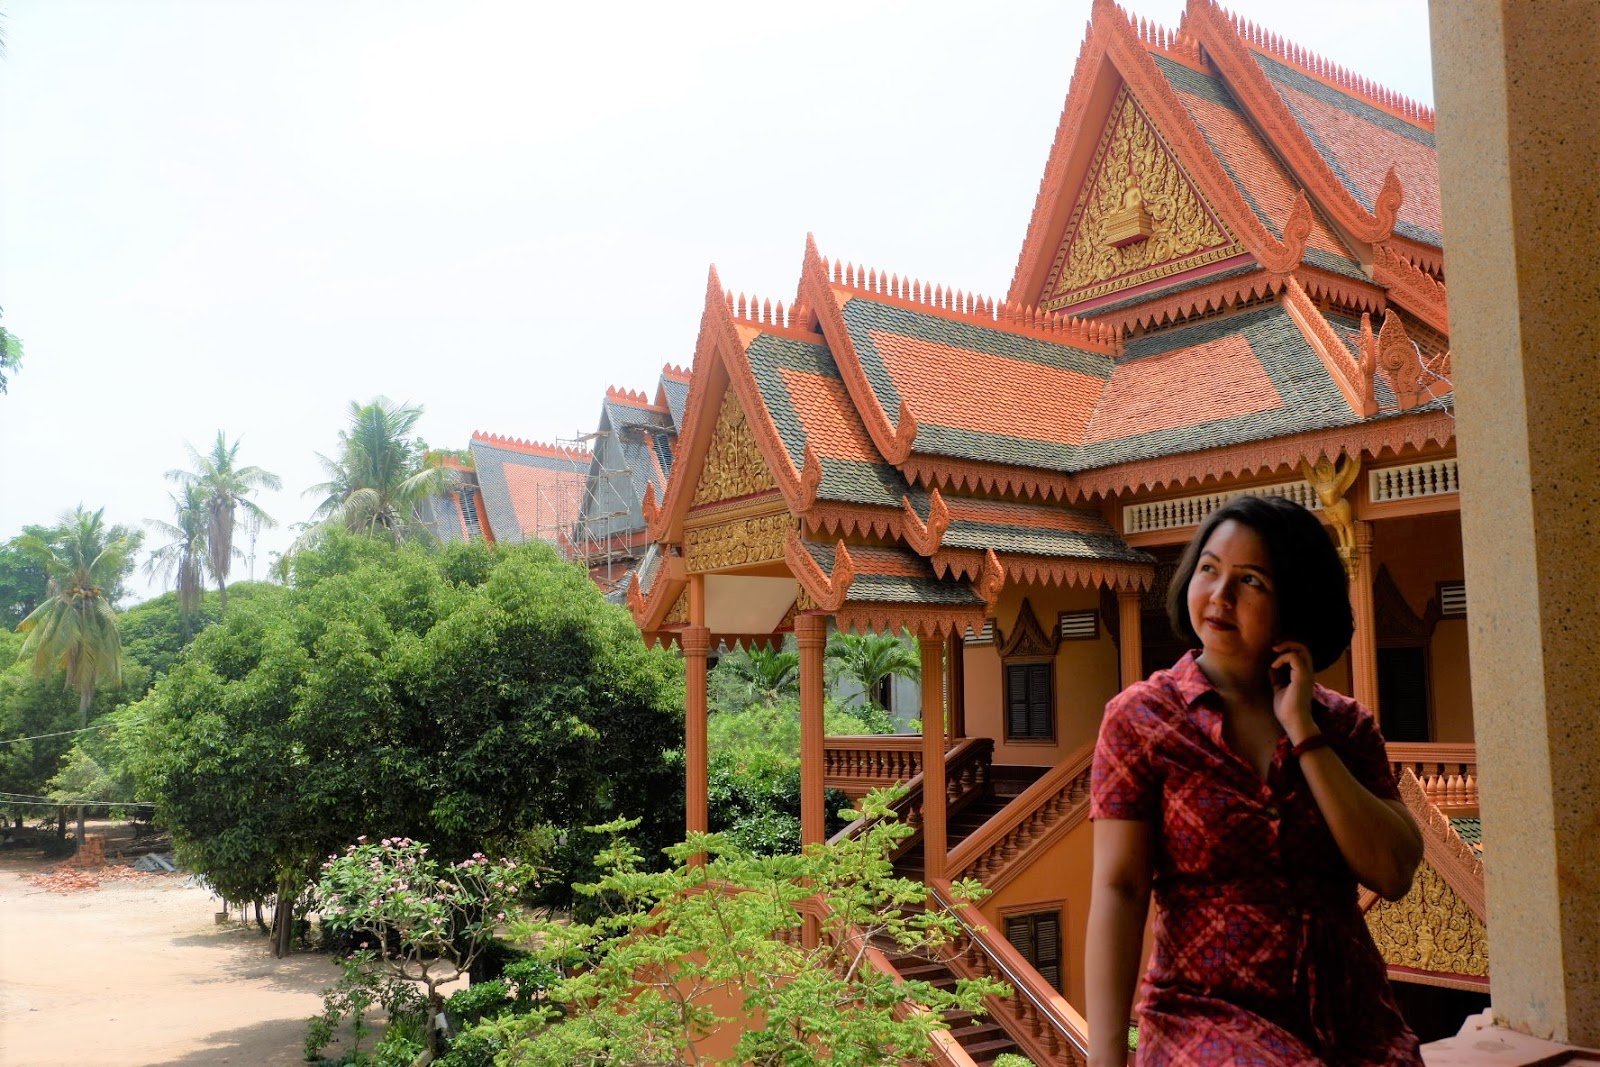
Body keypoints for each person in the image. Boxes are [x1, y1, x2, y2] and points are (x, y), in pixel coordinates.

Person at [1085, 495, 1424, 1066]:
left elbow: (1392, 871)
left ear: (1295, 601)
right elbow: (1120, 889)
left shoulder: (1344, 726)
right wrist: (1106, 1059)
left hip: (1350, 1007)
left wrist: (1305, 733)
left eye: (1251, 581)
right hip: (1207, 1010)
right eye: (1209, 570)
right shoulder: (1143, 719)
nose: (1220, 595)